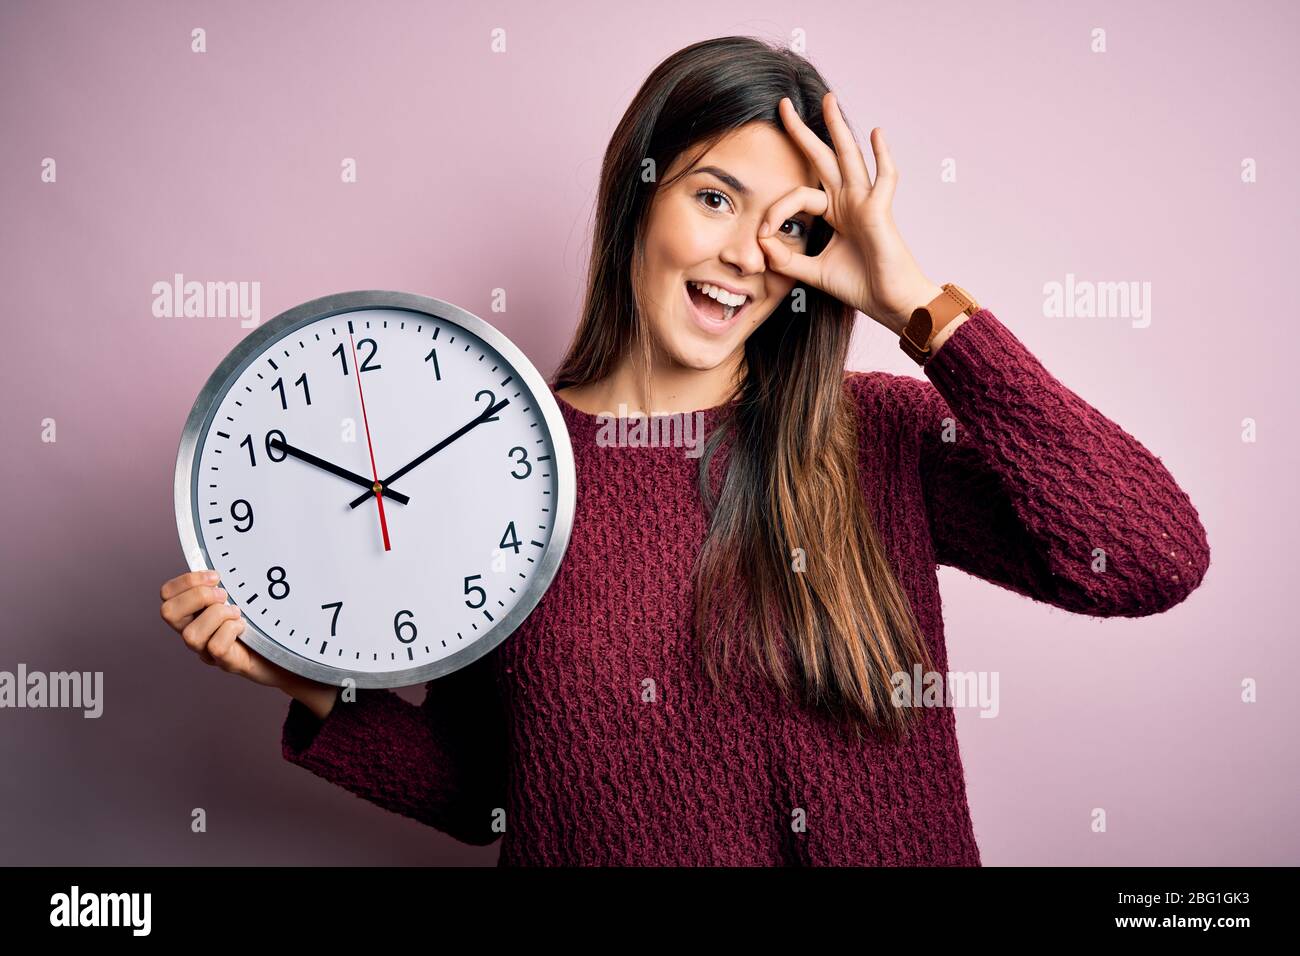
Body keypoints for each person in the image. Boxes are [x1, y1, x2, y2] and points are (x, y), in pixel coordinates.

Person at [159, 36, 1211, 865]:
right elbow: (490, 796)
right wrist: (313, 689)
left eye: (792, 227)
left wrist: (914, 304)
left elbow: (1152, 554)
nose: (744, 256)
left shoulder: (874, 433)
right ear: (639, 196)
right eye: (713, 197)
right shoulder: (496, 463)